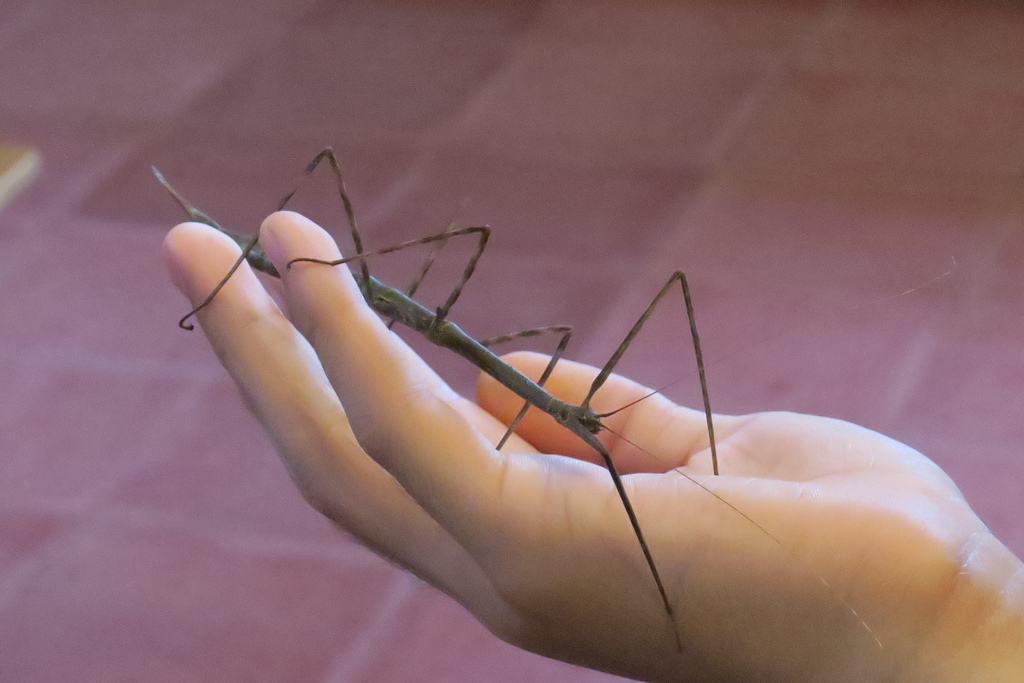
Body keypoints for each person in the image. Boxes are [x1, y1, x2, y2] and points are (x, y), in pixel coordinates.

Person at [164, 211, 1023, 683]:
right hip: (390, 294)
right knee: (455, 338)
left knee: (516, 376)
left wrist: (946, 623)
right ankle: (288, 261)